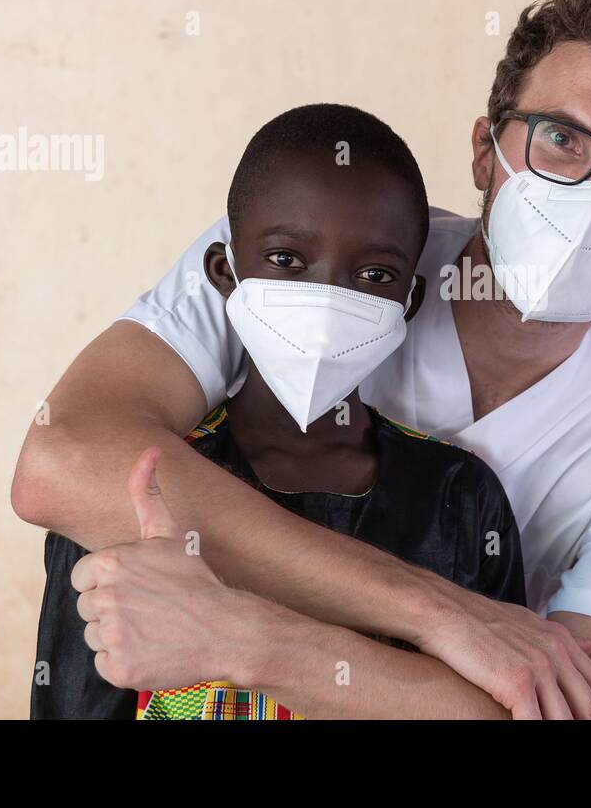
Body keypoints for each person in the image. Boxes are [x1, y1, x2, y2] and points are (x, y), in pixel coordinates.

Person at [13, 0, 591, 719]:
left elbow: (564, 714)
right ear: (484, 151)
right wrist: (442, 614)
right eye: (561, 139)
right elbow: (62, 461)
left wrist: (247, 641)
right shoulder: (311, 238)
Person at [30, 105, 526, 720]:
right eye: (288, 260)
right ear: (223, 273)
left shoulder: (459, 496)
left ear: (409, 300)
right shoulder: (132, 492)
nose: (327, 299)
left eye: (374, 274)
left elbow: (514, 696)